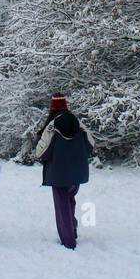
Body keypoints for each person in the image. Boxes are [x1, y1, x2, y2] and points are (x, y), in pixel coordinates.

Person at [32, 93, 94, 250]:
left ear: (52, 107)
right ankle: (72, 231)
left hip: (58, 173)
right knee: (70, 200)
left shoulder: (52, 126)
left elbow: (41, 151)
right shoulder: (78, 123)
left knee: (62, 206)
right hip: (77, 172)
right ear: (66, 105)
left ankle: (68, 241)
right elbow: (91, 144)